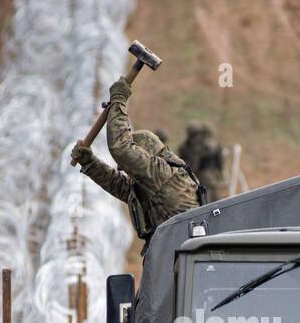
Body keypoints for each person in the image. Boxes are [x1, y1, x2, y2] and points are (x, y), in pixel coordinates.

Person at [70, 77, 204, 248]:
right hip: (168, 255)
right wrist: (89, 162)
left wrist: (119, 99)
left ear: (146, 155)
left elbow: (122, 149)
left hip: (178, 257)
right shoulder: (153, 184)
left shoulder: (164, 174)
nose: (128, 173)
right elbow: (120, 186)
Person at [177, 121, 228, 203]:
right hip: (202, 173)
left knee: (210, 195)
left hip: (204, 173)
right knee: (209, 195)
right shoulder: (194, 145)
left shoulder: (200, 144)